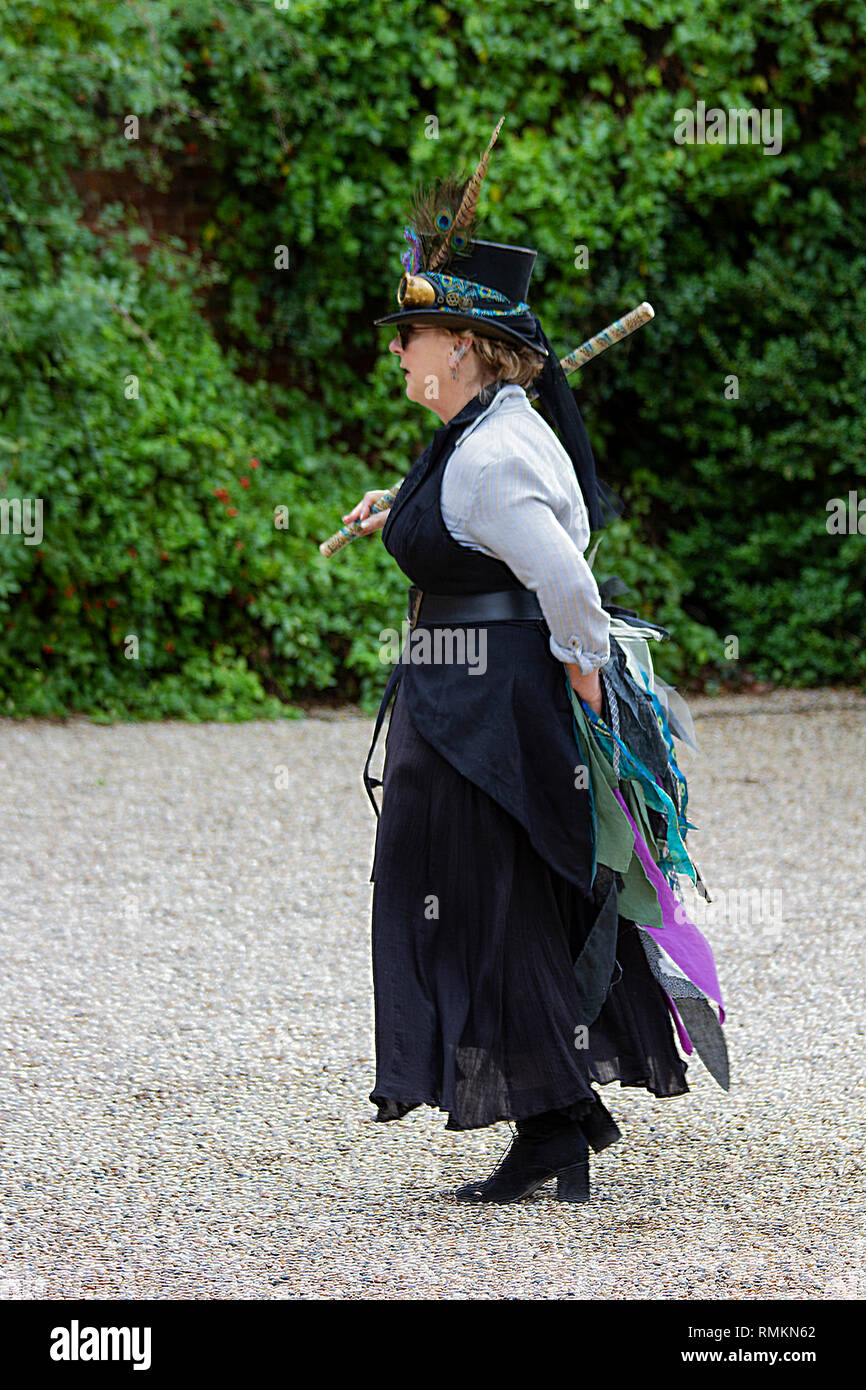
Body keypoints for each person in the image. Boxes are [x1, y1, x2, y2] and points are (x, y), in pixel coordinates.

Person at [344, 135, 727, 1204]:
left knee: (480, 905)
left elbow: (564, 580)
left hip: (490, 713)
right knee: (482, 904)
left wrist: (589, 690)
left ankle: (557, 1119)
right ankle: (556, 1119)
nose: (398, 354)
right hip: (465, 704)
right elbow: (473, 533)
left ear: (463, 345)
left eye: (410, 335)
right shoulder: (478, 436)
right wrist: (396, 514)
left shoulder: (498, 451)